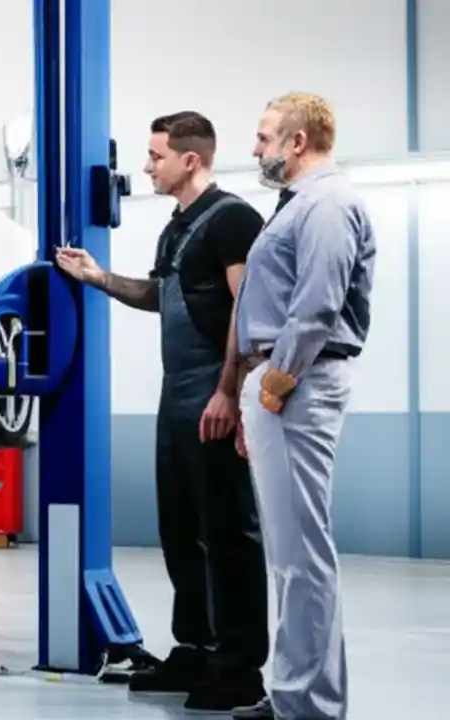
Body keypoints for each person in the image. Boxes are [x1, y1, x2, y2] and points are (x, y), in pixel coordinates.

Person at [55, 111, 268, 711]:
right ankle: (195, 649)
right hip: (176, 392)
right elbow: (158, 294)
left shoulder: (233, 221)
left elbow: (247, 310)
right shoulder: (176, 228)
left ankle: (239, 667)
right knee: (180, 530)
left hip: (213, 388)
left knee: (228, 531)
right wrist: (99, 278)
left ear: (190, 160)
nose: (146, 166)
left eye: (155, 156)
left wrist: (229, 391)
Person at [229, 92, 375, 720]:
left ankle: (310, 705)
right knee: (287, 556)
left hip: (297, 384)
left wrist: (273, 383)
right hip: (279, 384)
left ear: (296, 141)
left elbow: (317, 305)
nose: (255, 149)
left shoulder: (328, 203)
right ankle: (293, 691)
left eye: (264, 138)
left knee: (303, 557)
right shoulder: (296, 206)